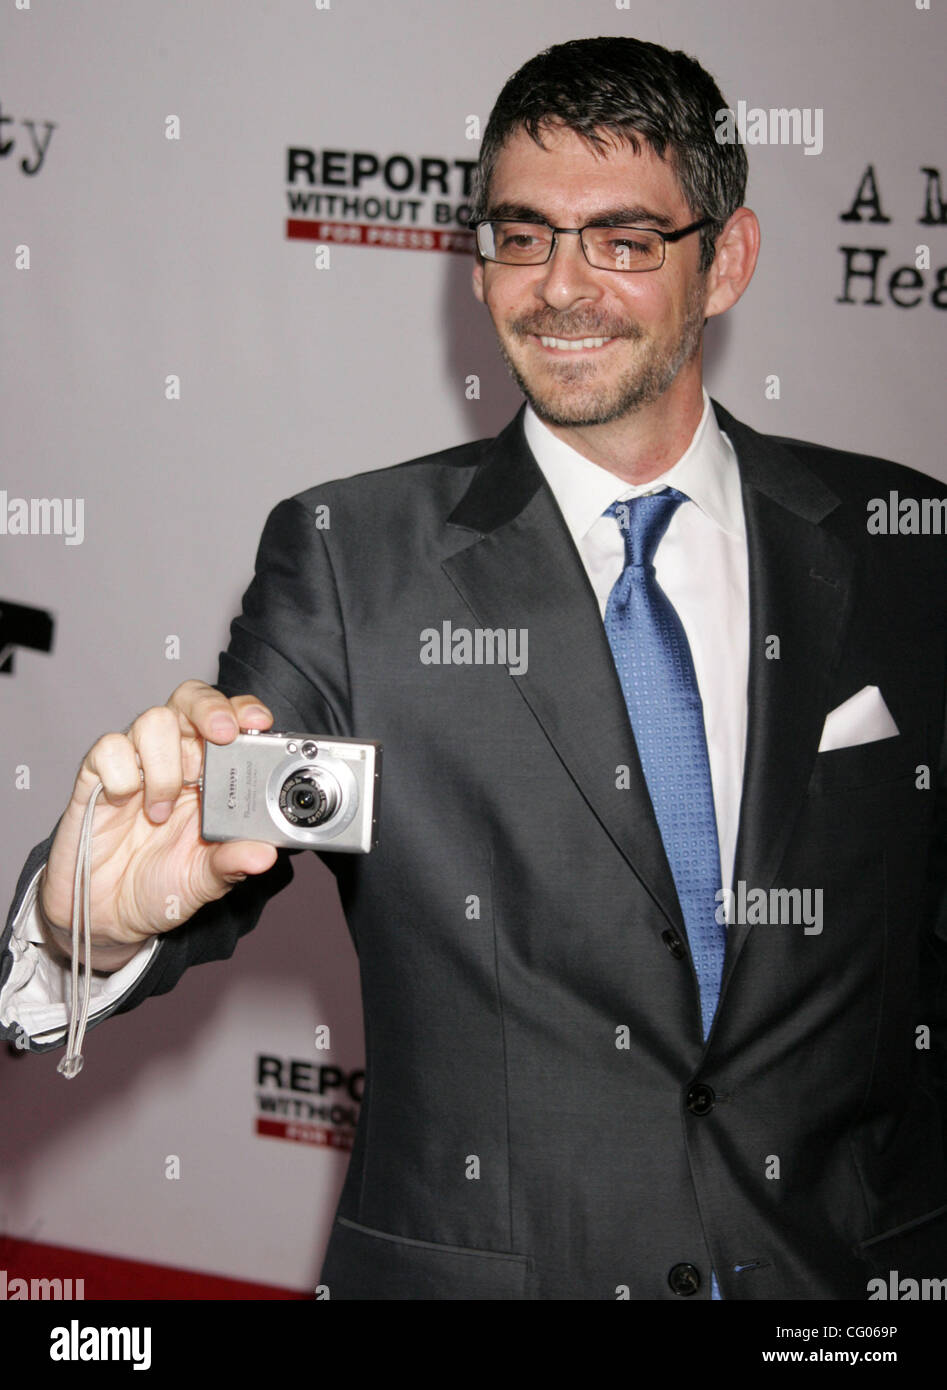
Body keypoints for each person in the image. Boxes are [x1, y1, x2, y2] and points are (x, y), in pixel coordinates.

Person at [3, 35, 946, 1301]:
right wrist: (83, 922)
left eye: (620, 240)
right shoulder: (352, 560)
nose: (560, 288)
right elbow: (220, 830)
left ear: (723, 260)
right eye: (519, 235)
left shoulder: (903, 541)